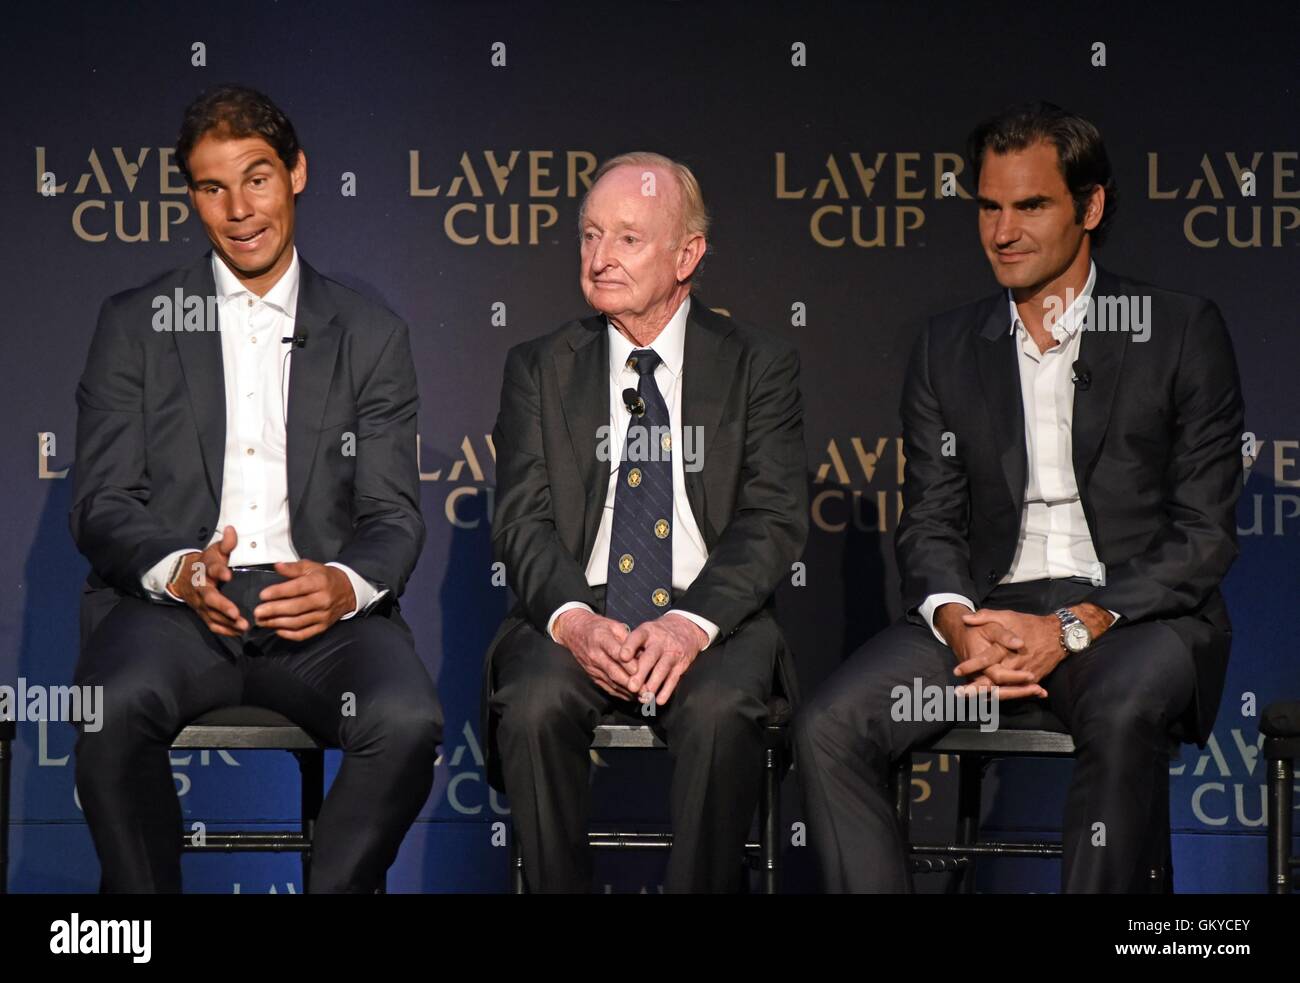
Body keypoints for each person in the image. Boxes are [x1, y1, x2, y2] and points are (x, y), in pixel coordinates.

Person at [795, 101, 1245, 893]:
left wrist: (1071, 625)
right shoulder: (945, 348)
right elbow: (931, 517)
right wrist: (957, 620)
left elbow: (1204, 535)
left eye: (1031, 205)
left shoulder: (1177, 331)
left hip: (1130, 619)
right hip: (989, 615)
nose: (1003, 231)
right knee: (832, 726)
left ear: (1091, 206)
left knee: (1123, 712)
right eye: (989, 206)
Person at [70, 85, 441, 893]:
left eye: (257, 177)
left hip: (318, 612)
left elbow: (392, 516)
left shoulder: (371, 336)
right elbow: (100, 502)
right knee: (109, 714)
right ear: (191, 196)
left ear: (298, 173)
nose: (238, 209)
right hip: (175, 608)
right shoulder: (135, 322)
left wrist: (342, 585)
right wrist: (180, 569)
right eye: (212, 187)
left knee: (407, 718)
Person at [484, 152, 808, 892]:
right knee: (533, 703)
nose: (599, 258)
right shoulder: (538, 365)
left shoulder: (760, 363)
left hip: (707, 612)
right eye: (590, 236)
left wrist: (690, 623)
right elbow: (522, 520)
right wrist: (572, 620)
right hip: (579, 608)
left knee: (724, 710)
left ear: (687, 254)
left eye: (627, 238)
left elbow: (772, 518)